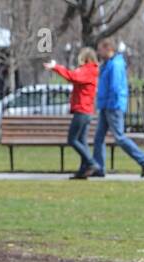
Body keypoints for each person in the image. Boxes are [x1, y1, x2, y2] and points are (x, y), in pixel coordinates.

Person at [92, 37, 144, 178]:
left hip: (113, 106)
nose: (98, 52)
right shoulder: (108, 64)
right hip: (106, 105)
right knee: (98, 137)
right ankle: (99, 168)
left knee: (119, 137)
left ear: (109, 49)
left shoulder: (115, 65)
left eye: (101, 49)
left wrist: (110, 104)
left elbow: (114, 87)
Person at [44, 48, 101, 180]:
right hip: (86, 110)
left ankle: (92, 163)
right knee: (82, 141)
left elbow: (72, 76)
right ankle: (83, 171)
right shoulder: (91, 71)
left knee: (72, 139)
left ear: (86, 58)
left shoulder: (88, 70)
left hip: (82, 110)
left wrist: (55, 67)